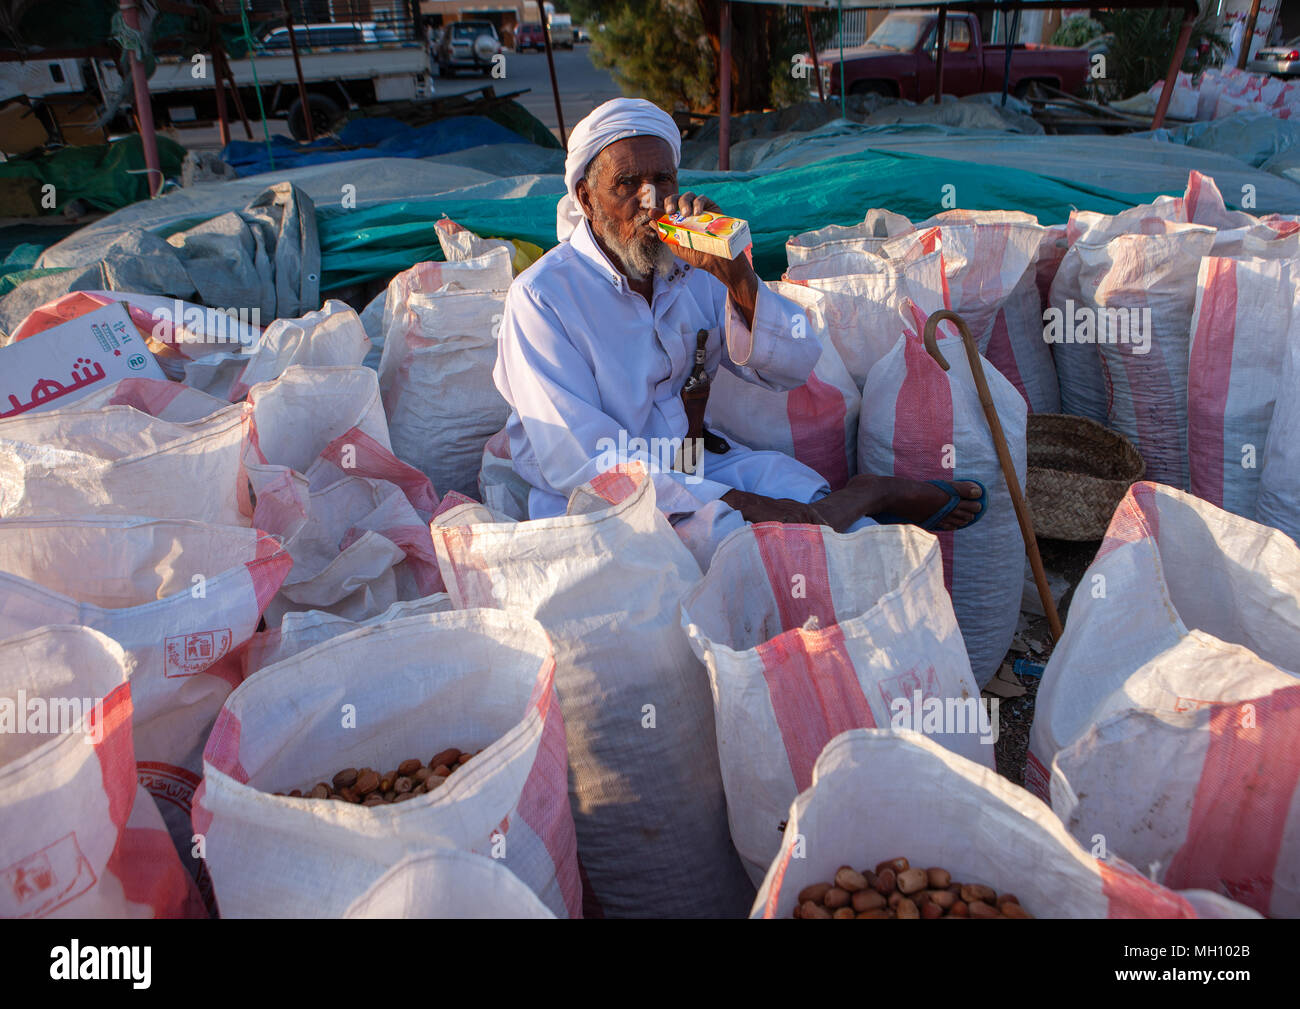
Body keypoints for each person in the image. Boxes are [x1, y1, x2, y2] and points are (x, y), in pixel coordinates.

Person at [493, 98, 984, 563]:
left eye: (662, 179)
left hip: (691, 460)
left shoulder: (687, 265)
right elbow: (581, 461)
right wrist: (745, 505)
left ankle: (855, 504)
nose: (651, 201)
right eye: (627, 184)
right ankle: (864, 497)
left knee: (817, 507)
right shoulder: (543, 298)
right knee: (756, 544)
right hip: (601, 500)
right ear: (586, 198)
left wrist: (737, 277)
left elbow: (796, 361)